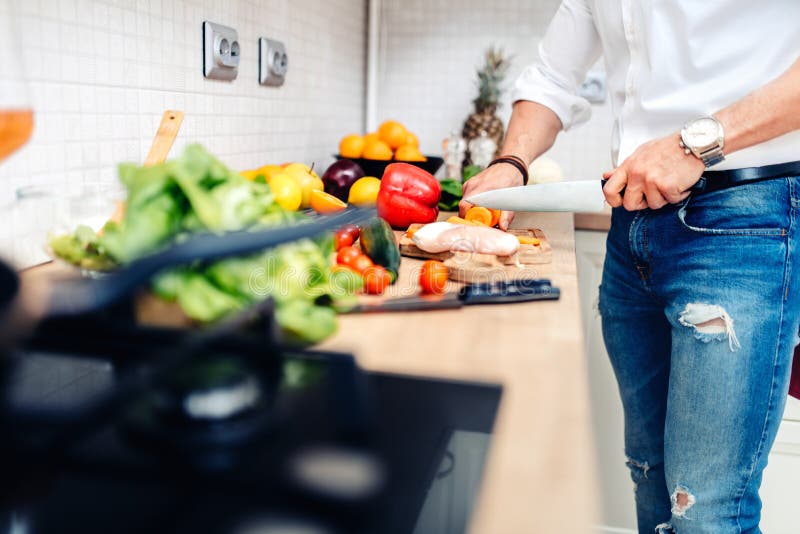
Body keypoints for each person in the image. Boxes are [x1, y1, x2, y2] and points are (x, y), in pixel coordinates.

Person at [459, 1, 800, 532]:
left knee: (705, 512)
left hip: (742, 219)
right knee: (652, 481)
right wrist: (511, 162)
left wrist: (694, 143)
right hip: (630, 225)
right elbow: (552, 76)